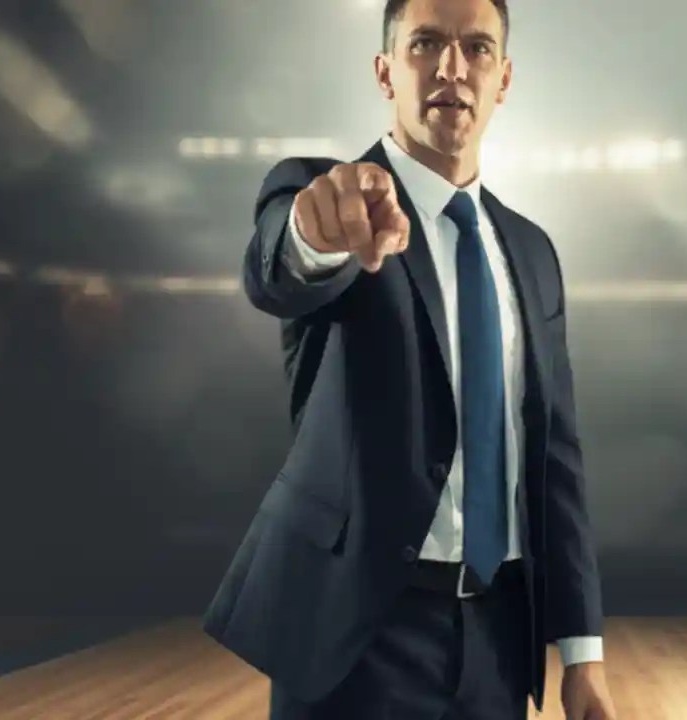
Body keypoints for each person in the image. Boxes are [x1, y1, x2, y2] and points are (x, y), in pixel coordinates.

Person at [201, 0, 619, 717]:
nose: (452, 67)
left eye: (477, 49)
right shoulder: (332, 194)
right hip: (355, 635)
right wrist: (315, 229)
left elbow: (556, 459)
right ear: (385, 71)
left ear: (504, 79)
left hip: (497, 636)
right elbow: (280, 266)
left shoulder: (533, 251)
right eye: (426, 43)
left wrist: (582, 652)